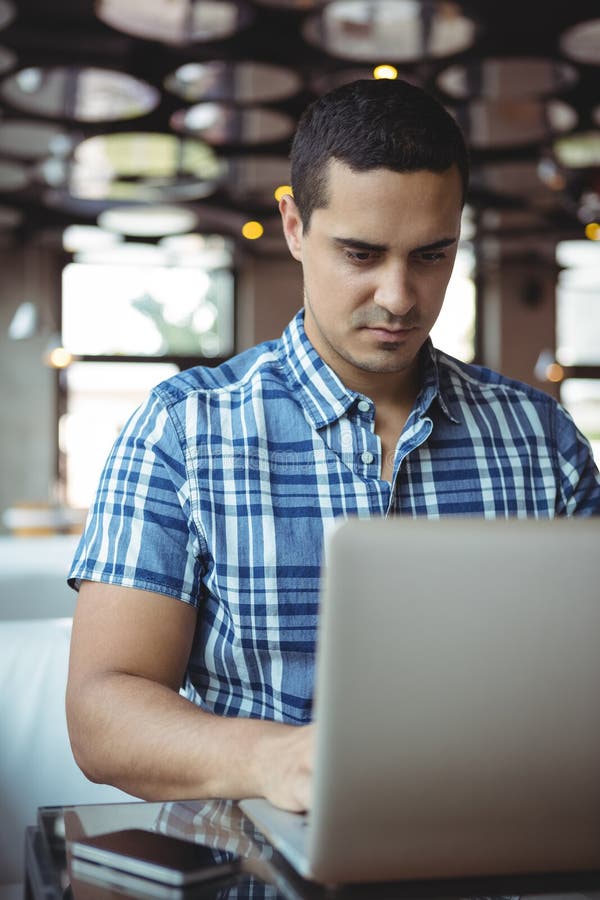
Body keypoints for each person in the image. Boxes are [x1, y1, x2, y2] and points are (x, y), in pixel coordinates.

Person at [66, 78, 600, 814]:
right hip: (265, 861)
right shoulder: (182, 432)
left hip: (498, 842)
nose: (399, 296)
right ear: (293, 226)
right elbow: (101, 712)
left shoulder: (543, 442)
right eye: (361, 253)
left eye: (431, 255)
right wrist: (272, 759)